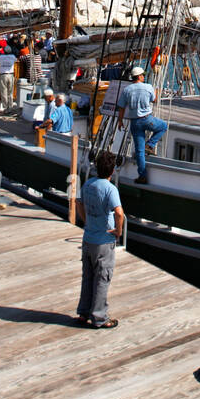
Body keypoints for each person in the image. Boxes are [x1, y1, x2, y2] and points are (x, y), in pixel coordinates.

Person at [76, 150, 124, 329]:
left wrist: (86, 221)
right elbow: (119, 212)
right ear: (112, 171)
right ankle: (99, 317)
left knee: (87, 276)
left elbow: (78, 203)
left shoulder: (88, 184)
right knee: (102, 278)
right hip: (104, 240)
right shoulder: (110, 189)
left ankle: (83, 312)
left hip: (88, 237)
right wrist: (118, 231)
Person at [117, 65, 166, 184]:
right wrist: (155, 92)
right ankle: (150, 144)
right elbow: (154, 99)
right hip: (147, 119)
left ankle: (142, 176)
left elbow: (121, 107)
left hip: (135, 122)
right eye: (142, 75)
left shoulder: (127, 90)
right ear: (139, 76)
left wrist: (120, 120)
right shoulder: (148, 87)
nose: (144, 76)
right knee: (163, 126)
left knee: (139, 151)